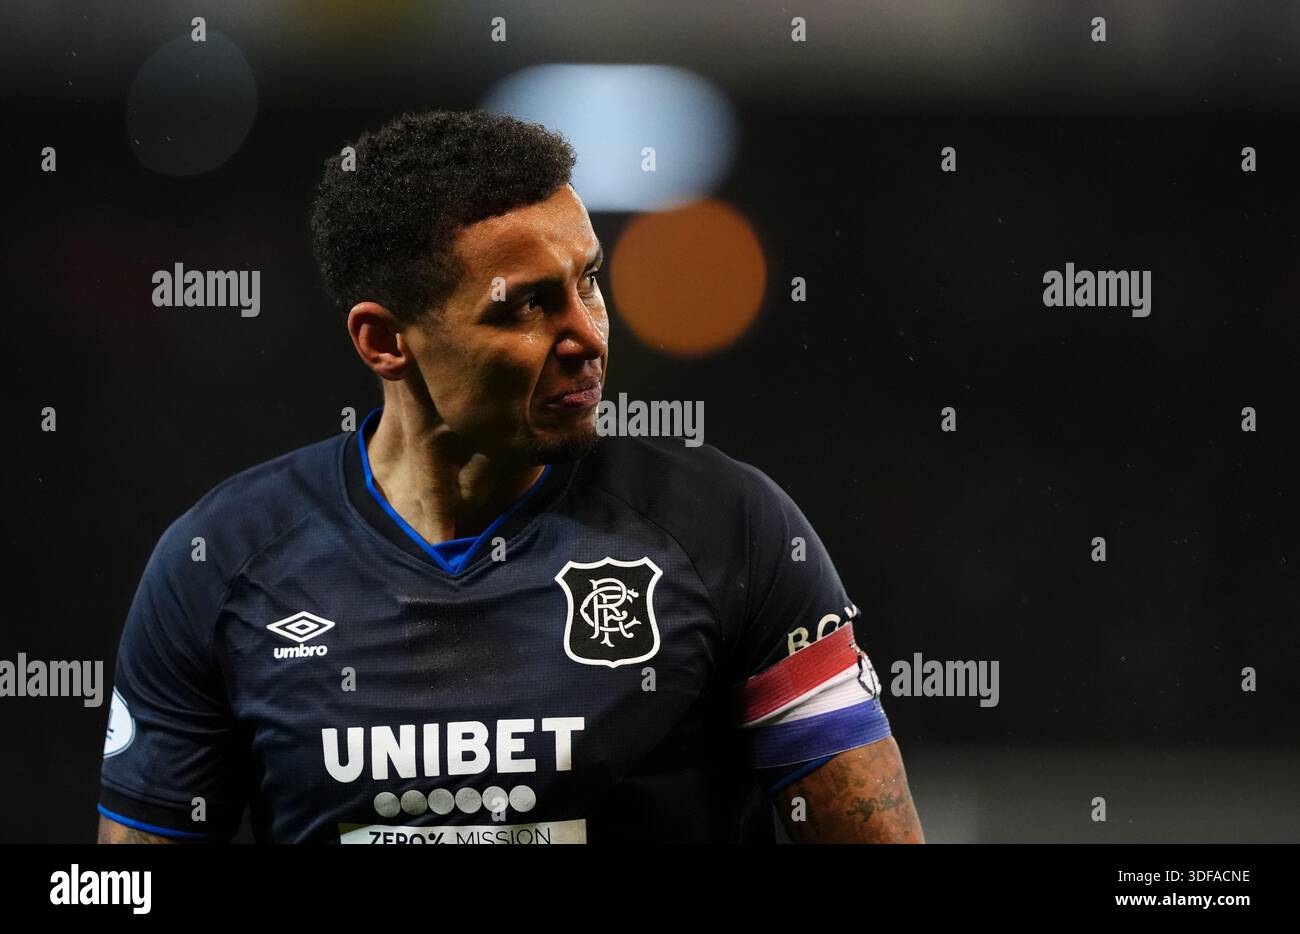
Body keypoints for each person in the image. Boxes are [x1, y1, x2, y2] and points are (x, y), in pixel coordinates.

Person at [97, 109, 924, 844]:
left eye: (588, 282)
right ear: (384, 341)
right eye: (524, 306)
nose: (588, 336)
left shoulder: (730, 530)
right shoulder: (218, 565)